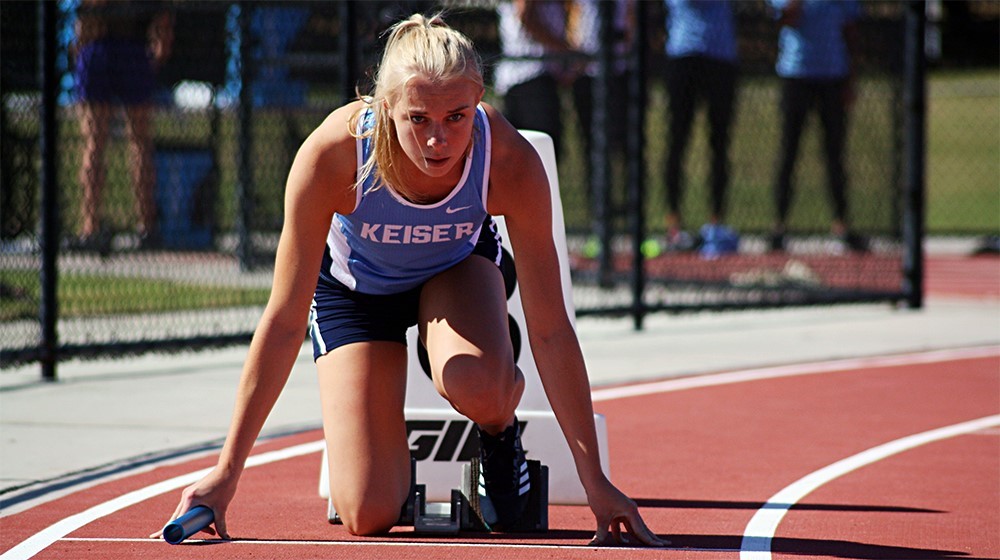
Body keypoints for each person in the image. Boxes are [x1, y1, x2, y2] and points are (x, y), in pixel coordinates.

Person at [151, 14, 666, 546]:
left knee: (478, 382)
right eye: (418, 119)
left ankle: (498, 431)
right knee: (367, 512)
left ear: (480, 103)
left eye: (457, 116)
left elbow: (552, 329)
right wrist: (226, 472)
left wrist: (595, 480)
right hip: (356, 295)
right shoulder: (335, 154)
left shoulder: (507, 160)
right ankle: (384, 460)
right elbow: (282, 321)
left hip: (454, 273)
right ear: (385, 108)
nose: (439, 139)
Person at [71, 0, 173, 253]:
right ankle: (94, 226)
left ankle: (142, 225)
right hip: (109, 46)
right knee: (102, 140)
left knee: (131, 141)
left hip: (120, 45)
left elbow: (163, 16)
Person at [768, 0, 867, 252]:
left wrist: (851, 77)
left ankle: (842, 224)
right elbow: (784, 19)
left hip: (833, 75)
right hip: (796, 73)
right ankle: (778, 226)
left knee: (835, 154)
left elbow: (851, 30)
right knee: (788, 152)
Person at [661, 0, 739, 254]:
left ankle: (717, 221)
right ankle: (674, 223)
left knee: (719, 143)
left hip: (720, 57)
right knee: (677, 140)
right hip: (683, 52)